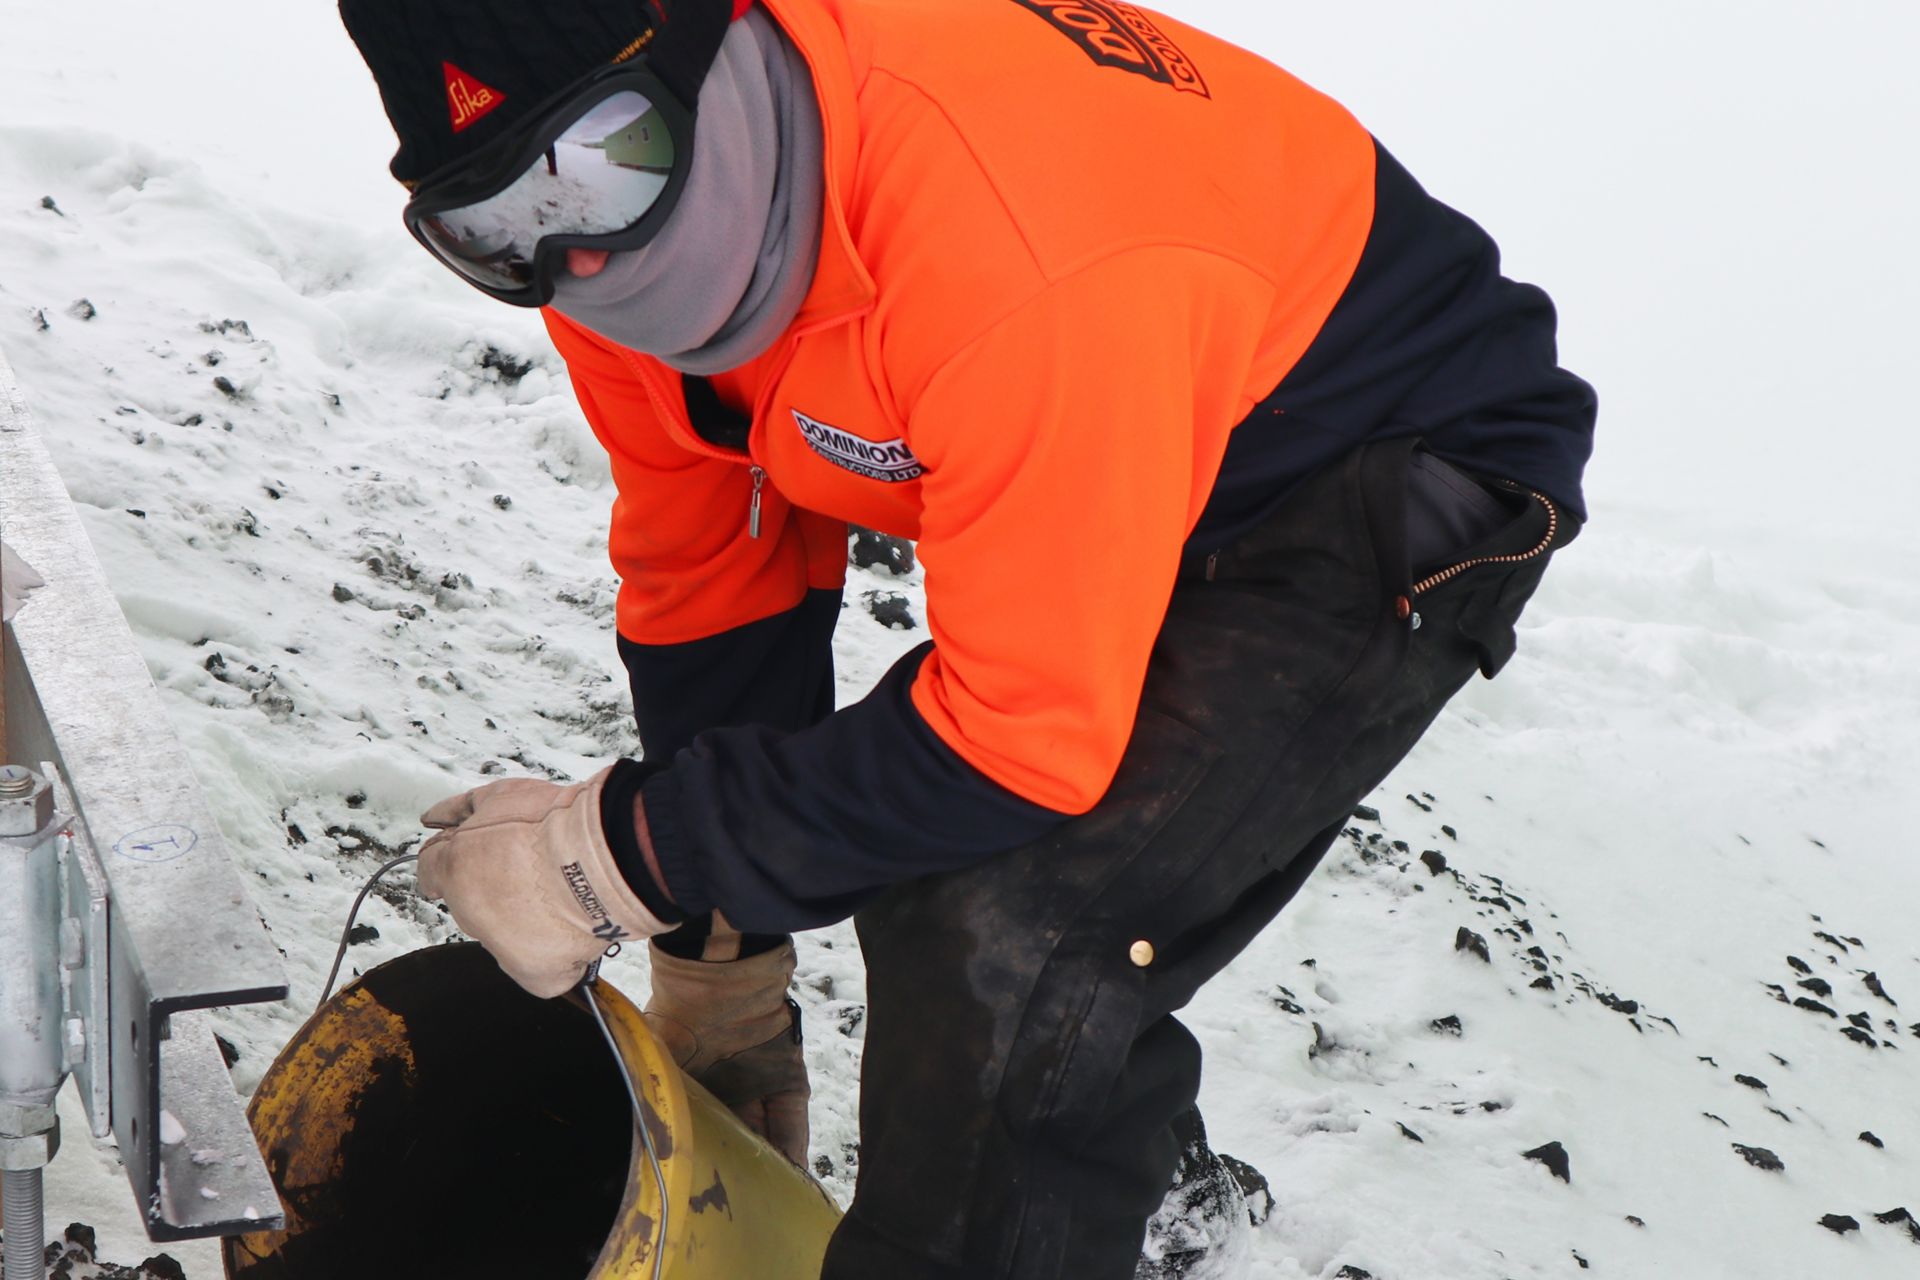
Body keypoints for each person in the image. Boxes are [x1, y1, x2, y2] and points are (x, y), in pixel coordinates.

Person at [338, 0, 1596, 1274]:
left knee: (1011, 920)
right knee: (956, 842)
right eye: (489, 228)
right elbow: (717, 565)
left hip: (1369, 470)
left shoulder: (1010, 242)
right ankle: (1119, 1181)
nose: (578, 260)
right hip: (1110, 410)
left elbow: (1019, 739)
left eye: (605, 163)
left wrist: (622, 853)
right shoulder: (625, 262)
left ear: (708, 55)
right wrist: (719, 949)